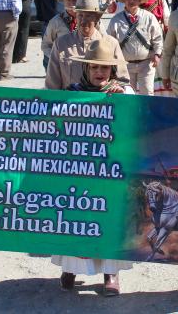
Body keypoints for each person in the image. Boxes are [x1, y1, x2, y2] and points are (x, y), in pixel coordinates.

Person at [53, 39, 133, 295]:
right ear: (86, 68)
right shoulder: (73, 92)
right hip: (79, 169)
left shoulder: (123, 93)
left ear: (112, 70)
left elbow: (138, 125)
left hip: (110, 171)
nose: (100, 73)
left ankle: (111, 273)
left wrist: (124, 102)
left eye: (105, 68)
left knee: (108, 219)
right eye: (95, 67)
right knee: (76, 217)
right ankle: (70, 267)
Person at [46, 0, 129, 90]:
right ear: (76, 16)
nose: (83, 20)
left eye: (88, 16)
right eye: (80, 15)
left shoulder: (111, 43)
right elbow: (52, 84)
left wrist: (117, 88)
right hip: (70, 102)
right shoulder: (61, 44)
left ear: (97, 18)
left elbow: (124, 81)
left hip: (102, 103)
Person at [106, 0, 163, 95]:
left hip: (146, 64)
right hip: (124, 66)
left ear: (139, 1)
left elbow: (158, 38)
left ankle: (146, 112)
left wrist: (157, 54)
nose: (132, 1)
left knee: (147, 94)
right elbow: (109, 42)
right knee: (127, 95)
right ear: (124, 1)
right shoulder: (115, 20)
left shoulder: (149, 17)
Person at [41, 0, 83, 66]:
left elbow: (102, 40)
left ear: (81, 0)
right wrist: (56, 58)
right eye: (68, 0)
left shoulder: (90, 19)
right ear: (63, 0)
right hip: (63, 67)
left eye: (75, 0)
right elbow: (46, 45)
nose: (71, 3)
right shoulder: (56, 21)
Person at [35, 0, 67, 67]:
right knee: (64, 45)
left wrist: (40, 16)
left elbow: (37, 1)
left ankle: (48, 69)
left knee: (47, 46)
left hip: (47, 19)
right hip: (63, 18)